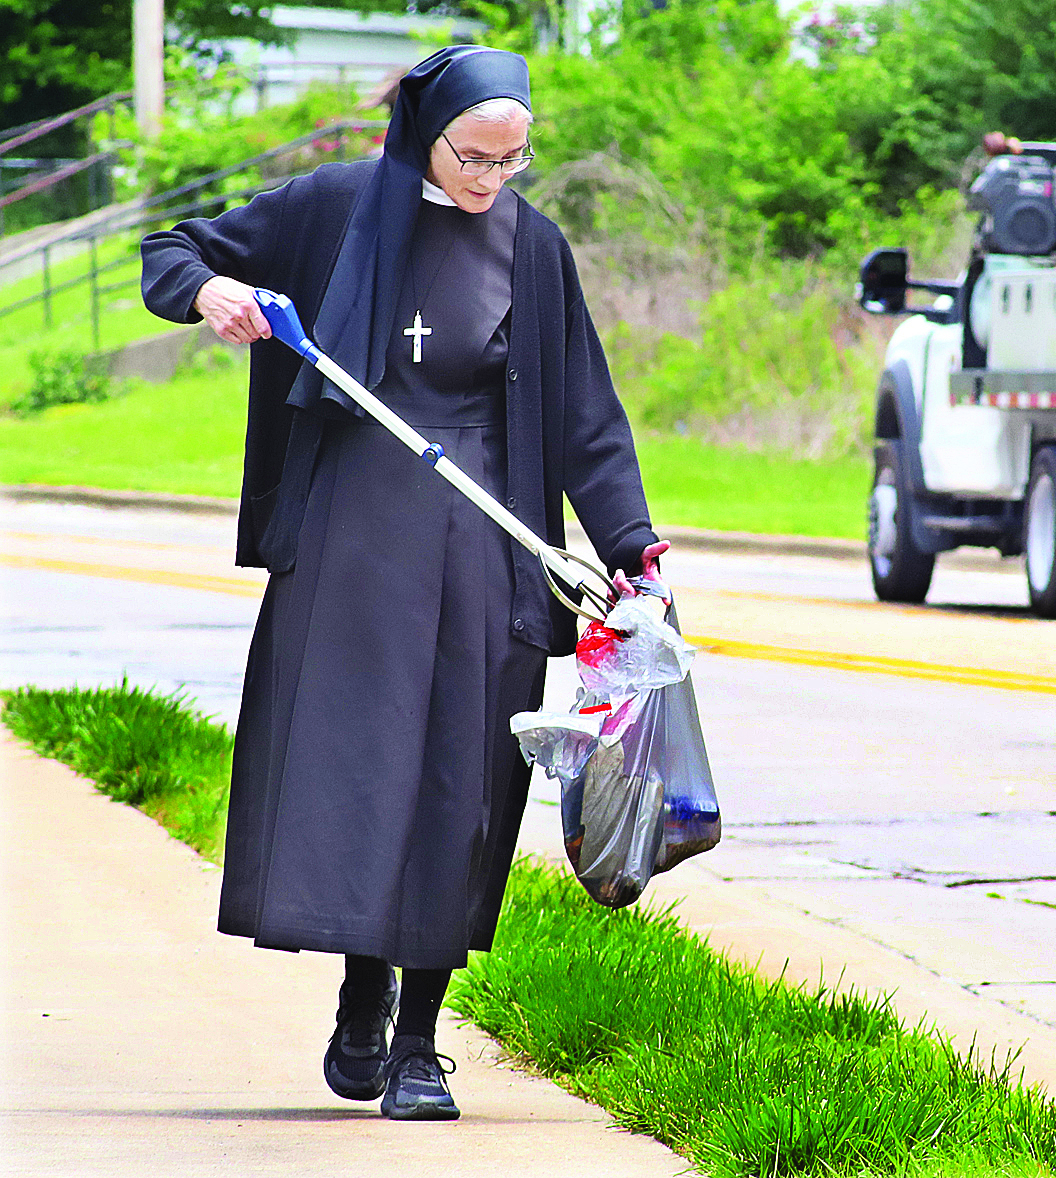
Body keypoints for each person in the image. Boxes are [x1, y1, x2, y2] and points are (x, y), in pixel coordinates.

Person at [140, 46, 668, 1121]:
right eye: (476, 155)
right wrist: (211, 291)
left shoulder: (532, 249)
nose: (491, 177)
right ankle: (362, 984)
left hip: (487, 542)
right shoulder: (332, 205)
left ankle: (422, 1041)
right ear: (425, 129)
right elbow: (169, 247)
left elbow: (584, 418)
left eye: (514, 158)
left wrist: (633, 544)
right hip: (349, 539)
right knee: (360, 768)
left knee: (463, 785)